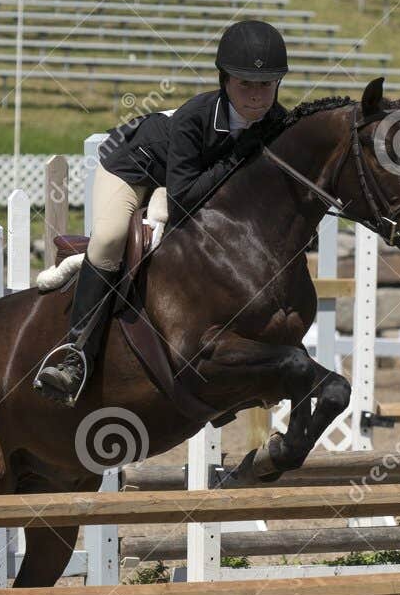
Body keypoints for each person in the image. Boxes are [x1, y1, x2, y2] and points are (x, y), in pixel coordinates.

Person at [34, 20, 292, 405]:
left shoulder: (277, 122)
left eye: (265, 86)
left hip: (178, 183)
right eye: (245, 85)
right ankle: (75, 353)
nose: (256, 97)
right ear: (224, 81)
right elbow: (187, 196)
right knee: (111, 237)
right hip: (134, 168)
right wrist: (240, 153)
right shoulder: (195, 117)